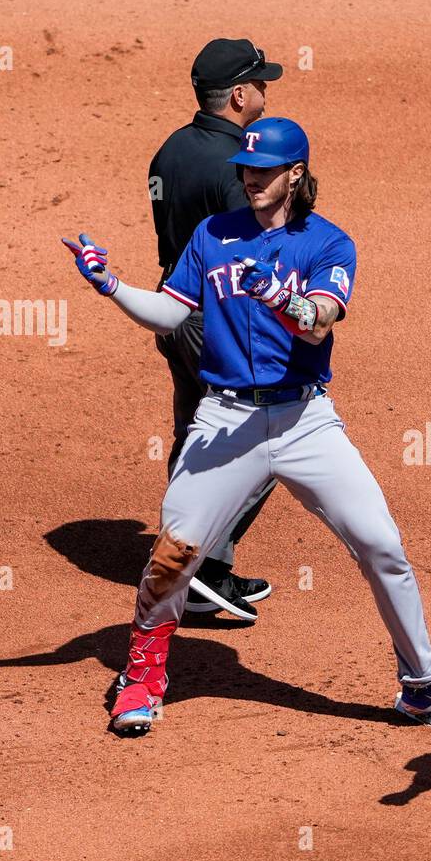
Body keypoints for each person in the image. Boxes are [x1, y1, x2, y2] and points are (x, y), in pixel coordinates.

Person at [62, 117, 431, 735]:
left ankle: (422, 683)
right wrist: (112, 286)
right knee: (173, 554)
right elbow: (170, 312)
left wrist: (278, 297)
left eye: (263, 171)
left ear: (294, 174)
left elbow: (320, 321)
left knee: (381, 543)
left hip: (303, 419)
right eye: (245, 170)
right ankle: (141, 680)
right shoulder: (212, 235)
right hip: (224, 418)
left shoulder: (327, 244)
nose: (250, 180)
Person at [147, 37, 284, 620]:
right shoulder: (236, 168)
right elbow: (251, 253)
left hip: (174, 311)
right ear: (237, 95)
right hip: (217, 318)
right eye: (260, 82)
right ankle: (199, 567)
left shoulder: (170, 151)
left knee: (195, 433)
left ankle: (192, 556)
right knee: (268, 436)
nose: (266, 90)